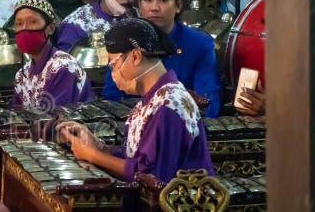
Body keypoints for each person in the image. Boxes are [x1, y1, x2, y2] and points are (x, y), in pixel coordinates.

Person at [58, 18, 214, 183]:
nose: (113, 72)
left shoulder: (168, 106)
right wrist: (99, 147)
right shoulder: (154, 99)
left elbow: (152, 177)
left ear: (135, 56)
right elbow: (138, 159)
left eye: (113, 64)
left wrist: (94, 156)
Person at [102, 0, 221, 117]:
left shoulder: (200, 44)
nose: (154, 7)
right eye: (148, 0)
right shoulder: (123, 40)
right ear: (139, 4)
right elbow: (112, 99)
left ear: (178, 5)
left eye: (163, 0)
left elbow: (208, 102)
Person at [11, 0, 94, 111]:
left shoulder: (63, 67)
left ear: (50, 28)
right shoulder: (22, 74)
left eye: (32, 22)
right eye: (19, 24)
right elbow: (15, 112)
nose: (24, 28)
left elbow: (54, 118)